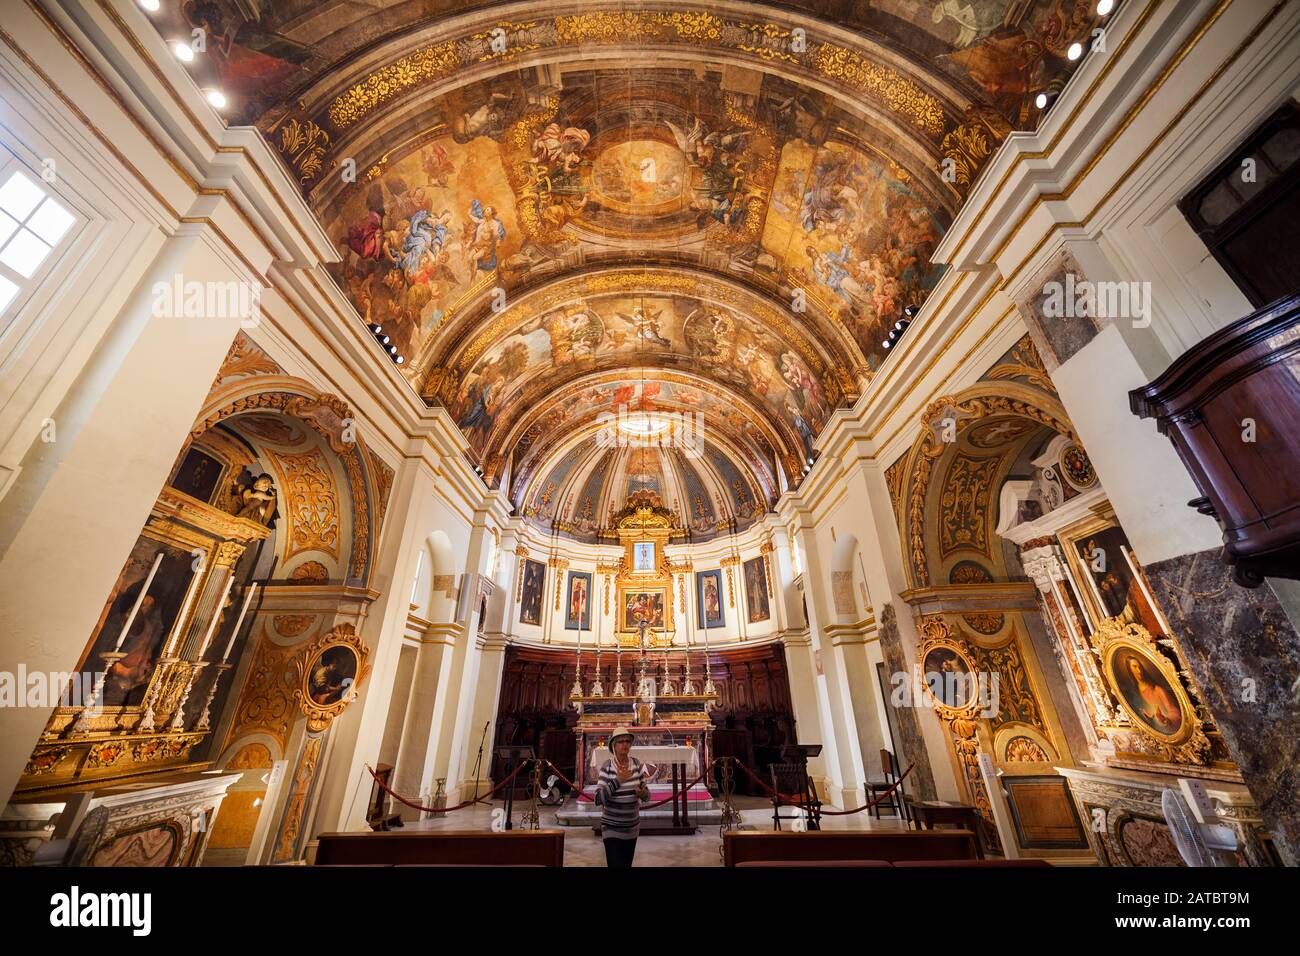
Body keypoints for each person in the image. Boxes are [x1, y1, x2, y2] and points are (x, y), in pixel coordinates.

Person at [594, 728, 651, 867]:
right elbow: (598, 799)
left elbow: (648, 796)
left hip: (632, 829)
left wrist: (642, 793)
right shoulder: (607, 767)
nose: (625, 744)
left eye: (627, 741)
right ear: (614, 745)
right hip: (612, 828)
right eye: (621, 741)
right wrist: (618, 780)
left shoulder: (636, 764)